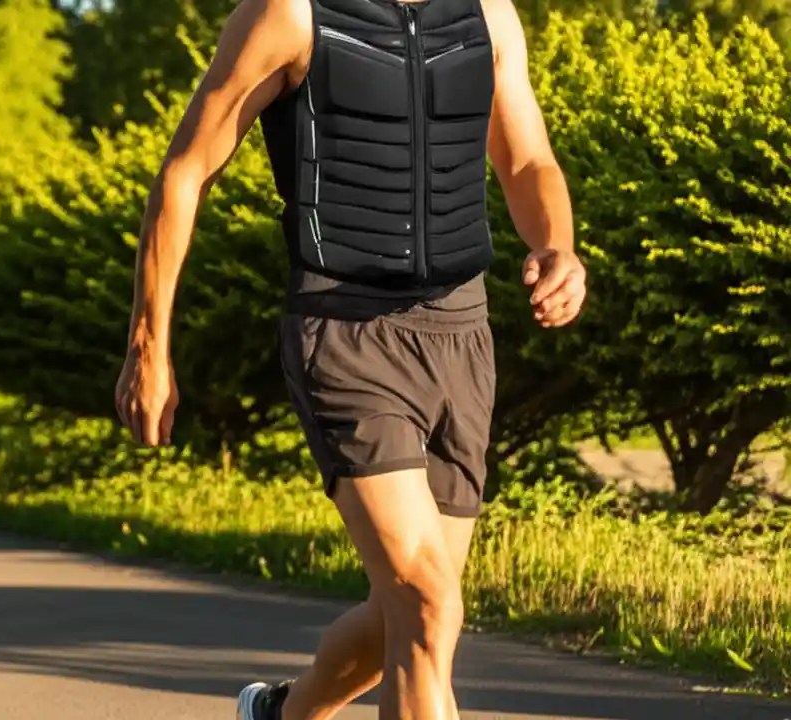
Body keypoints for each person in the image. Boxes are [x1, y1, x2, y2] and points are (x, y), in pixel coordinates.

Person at [113, 0, 586, 717]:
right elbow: (186, 173)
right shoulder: (288, 15)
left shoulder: (490, 15)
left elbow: (526, 160)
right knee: (428, 600)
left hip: (461, 334)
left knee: (413, 610)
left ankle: (282, 713)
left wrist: (558, 245)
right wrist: (150, 346)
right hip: (344, 331)